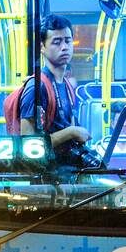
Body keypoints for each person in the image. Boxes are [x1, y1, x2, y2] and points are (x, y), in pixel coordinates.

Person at [19, 13, 89, 160]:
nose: (64, 47)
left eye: (68, 41)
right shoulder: (36, 88)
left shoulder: (67, 85)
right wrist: (71, 132)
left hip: (67, 173)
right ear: (42, 47)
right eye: (57, 42)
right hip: (46, 177)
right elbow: (26, 145)